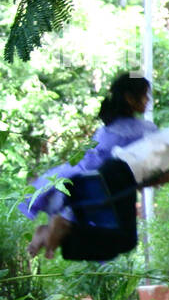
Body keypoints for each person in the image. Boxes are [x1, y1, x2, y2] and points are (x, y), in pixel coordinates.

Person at [28, 112, 169, 262]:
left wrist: (161, 179)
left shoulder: (168, 151)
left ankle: (55, 235)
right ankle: (65, 227)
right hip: (119, 174)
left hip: (119, 175)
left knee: (116, 240)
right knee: (125, 239)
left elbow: (143, 182)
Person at [22, 73, 158, 243]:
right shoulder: (142, 131)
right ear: (130, 98)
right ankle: (55, 229)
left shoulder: (106, 130)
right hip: (98, 188)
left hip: (78, 179)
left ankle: (49, 230)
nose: (148, 100)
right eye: (145, 94)